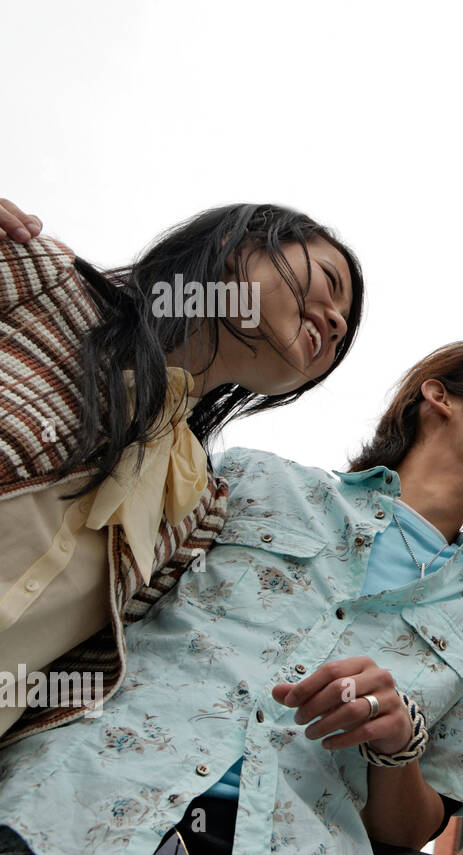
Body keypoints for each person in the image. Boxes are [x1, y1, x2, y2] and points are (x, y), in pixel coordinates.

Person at [0, 341, 463, 855]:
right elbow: (92, 584)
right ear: (441, 398)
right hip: (66, 810)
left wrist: (398, 743)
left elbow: (411, 830)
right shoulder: (253, 478)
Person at [0, 199, 364, 746]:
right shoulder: (46, 284)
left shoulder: (198, 505)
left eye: (343, 332)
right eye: (330, 282)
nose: (336, 323)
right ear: (233, 249)